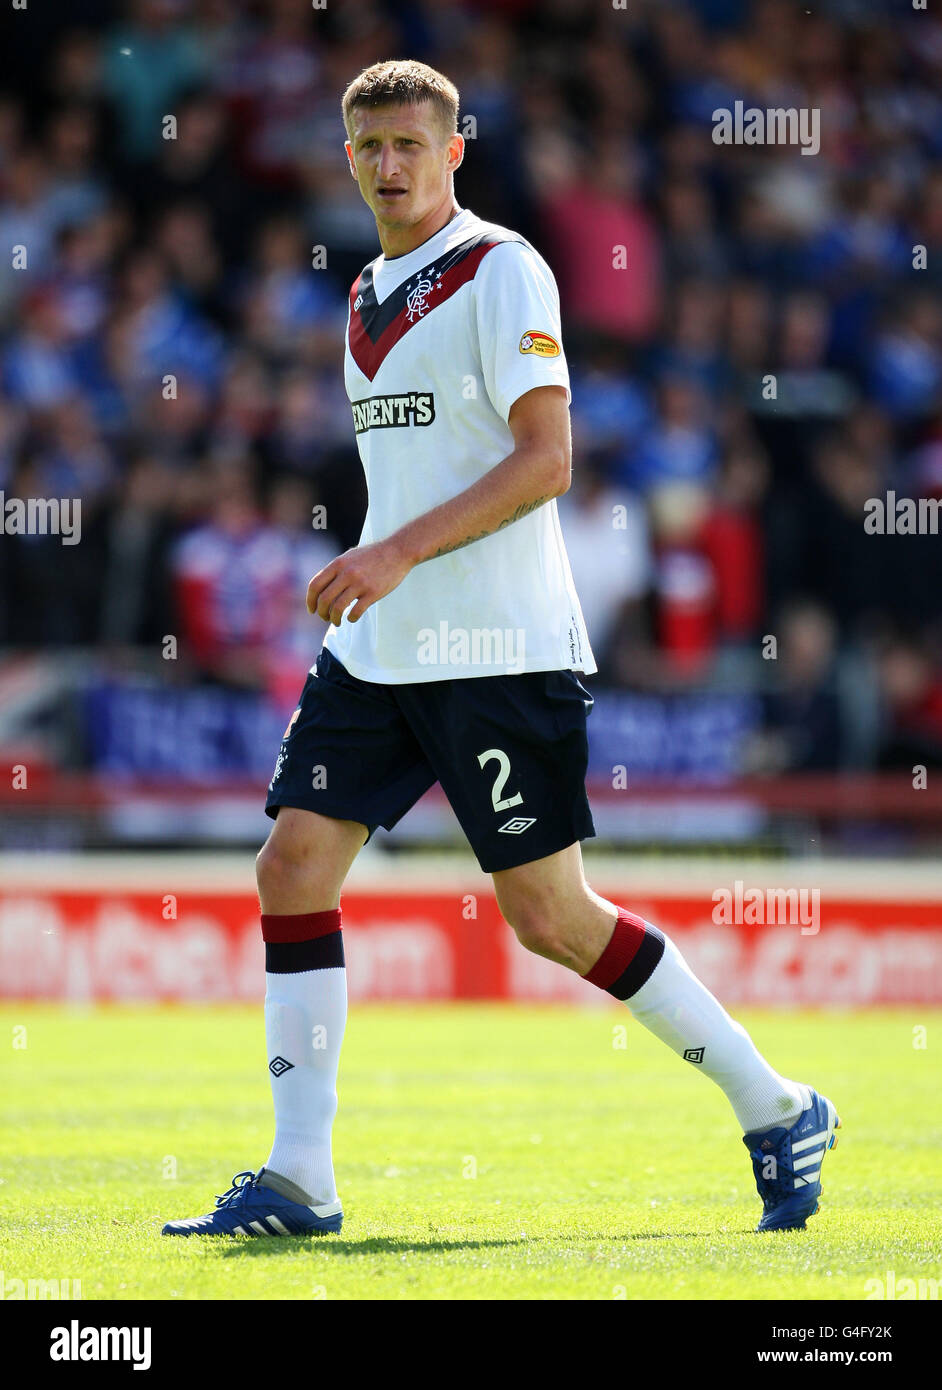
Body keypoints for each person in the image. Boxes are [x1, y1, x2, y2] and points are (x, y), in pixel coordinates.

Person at [163, 59, 839, 1241]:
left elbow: (548, 460)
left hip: (498, 646)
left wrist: (390, 554)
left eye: (410, 145)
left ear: (455, 149)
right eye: (368, 147)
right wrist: (382, 572)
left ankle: (776, 1104)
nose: (388, 166)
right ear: (347, 157)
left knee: (550, 916)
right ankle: (299, 1176)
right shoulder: (367, 287)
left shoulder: (502, 267)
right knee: (292, 867)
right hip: (382, 649)